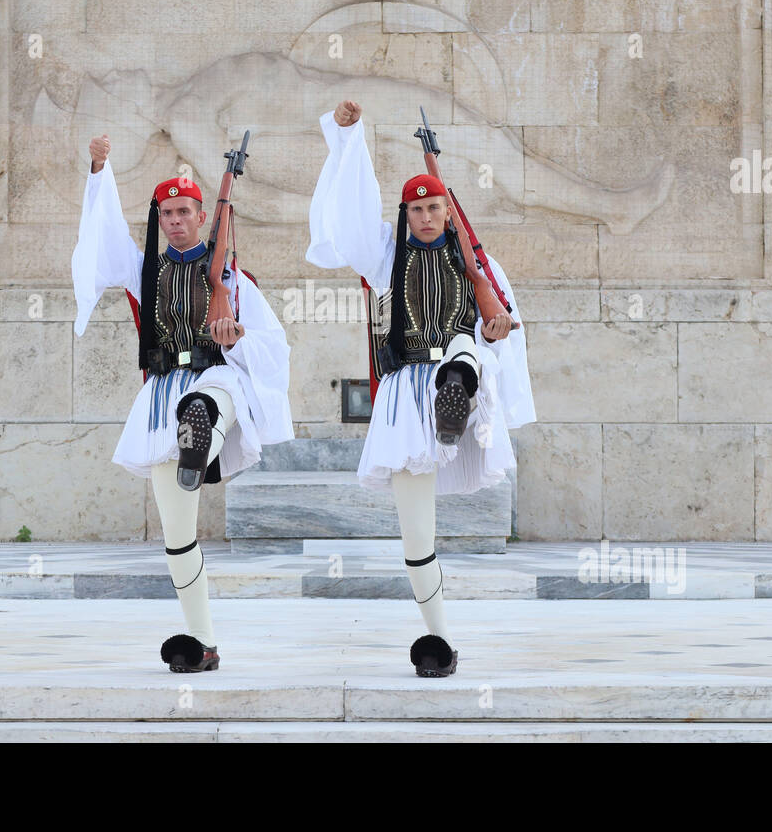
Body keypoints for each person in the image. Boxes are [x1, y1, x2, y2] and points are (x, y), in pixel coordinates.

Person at [306, 100, 536, 677]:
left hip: (457, 373)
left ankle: (454, 398)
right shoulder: (385, 256)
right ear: (406, 213)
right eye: (417, 209)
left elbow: (503, 328)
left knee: (464, 354)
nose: (427, 216)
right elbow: (352, 219)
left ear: (447, 210)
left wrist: (495, 331)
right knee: (416, 536)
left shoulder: (476, 261)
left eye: (435, 207)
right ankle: (438, 641)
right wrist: (349, 137)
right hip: (407, 395)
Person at [72, 132, 293, 673]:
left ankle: (200, 437)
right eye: (166, 213)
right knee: (177, 536)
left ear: (202, 217)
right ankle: (203, 643)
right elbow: (103, 236)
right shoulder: (143, 271)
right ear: (160, 219)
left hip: (216, 381)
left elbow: (275, 347)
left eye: (184, 212)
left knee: (209, 397)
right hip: (162, 395)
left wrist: (236, 337)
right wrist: (99, 171)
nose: (174, 221)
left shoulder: (233, 281)